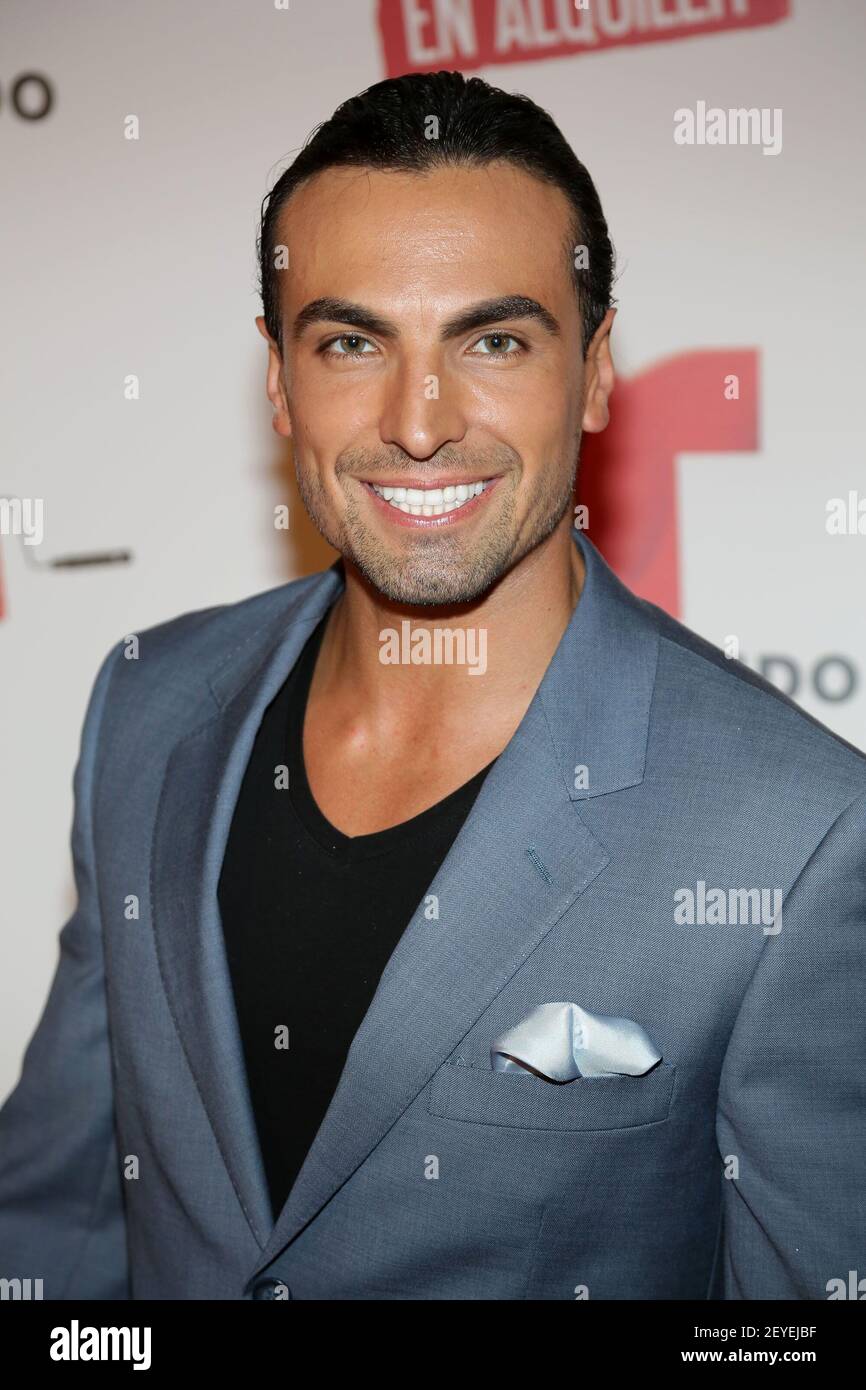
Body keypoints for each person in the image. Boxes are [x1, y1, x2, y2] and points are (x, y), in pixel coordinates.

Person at [1, 70, 864, 1301]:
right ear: (277, 377)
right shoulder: (148, 705)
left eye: (493, 341)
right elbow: (58, 1212)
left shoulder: (798, 836)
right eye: (352, 342)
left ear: (597, 366)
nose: (418, 423)